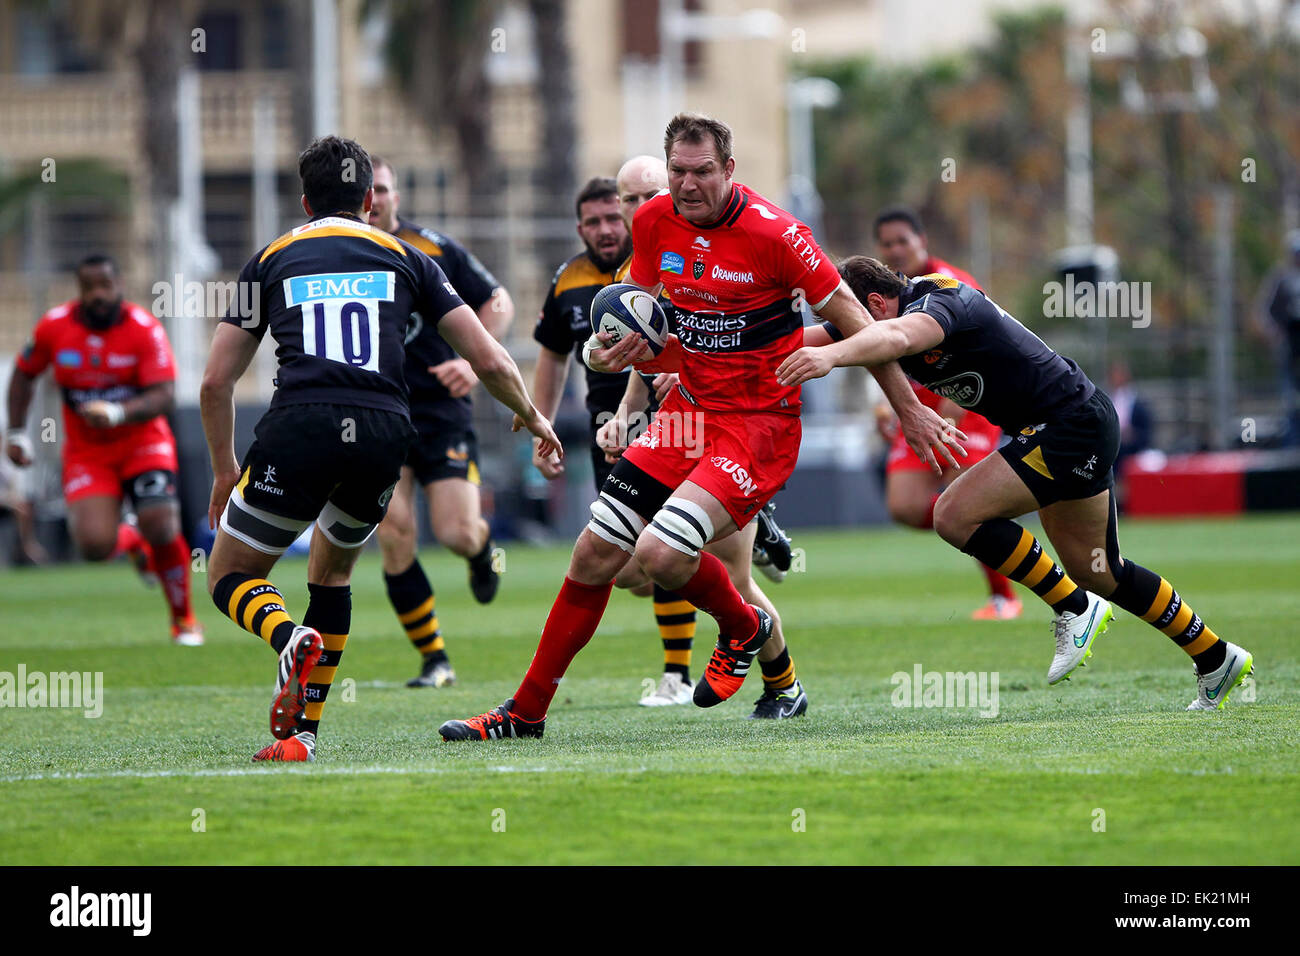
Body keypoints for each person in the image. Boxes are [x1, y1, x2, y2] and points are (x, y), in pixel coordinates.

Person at [439, 113, 959, 741]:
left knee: (661, 554)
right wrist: (615, 363)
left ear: (728, 170)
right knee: (594, 553)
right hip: (686, 413)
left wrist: (908, 409)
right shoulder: (654, 222)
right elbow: (640, 320)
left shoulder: (778, 234)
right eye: (678, 172)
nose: (688, 185)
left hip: (761, 424)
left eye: (702, 171)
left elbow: (858, 324)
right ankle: (524, 715)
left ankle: (744, 629)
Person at [200, 136, 559, 762]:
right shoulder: (406, 256)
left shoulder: (271, 258)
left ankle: (287, 637)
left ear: (305, 200)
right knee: (333, 576)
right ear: (369, 199)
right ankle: (300, 737)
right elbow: (489, 357)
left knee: (229, 573)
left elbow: (215, 381)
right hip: (383, 433)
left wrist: (225, 468)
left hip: (301, 427)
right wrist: (532, 417)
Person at [778, 256, 1253, 710]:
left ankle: (1072, 606)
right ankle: (1216, 657)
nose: (840, 327)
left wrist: (833, 357)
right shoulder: (873, 317)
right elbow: (796, 339)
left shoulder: (940, 298)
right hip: (1067, 423)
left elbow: (900, 336)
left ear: (876, 304)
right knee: (1100, 569)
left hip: (1069, 424)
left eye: (844, 314)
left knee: (953, 513)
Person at [596, 154, 807, 717]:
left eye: (649, 196)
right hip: (675, 425)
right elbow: (641, 359)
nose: (644, 208)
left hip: (735, 426)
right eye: (630, 199)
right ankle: (753, 534)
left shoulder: (712, 244)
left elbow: (734, 336)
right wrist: (624, 414)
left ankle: (781, 683)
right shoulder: (630, 271)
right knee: (627, 572)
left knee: (725, 578)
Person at [367, 156, 515, 688]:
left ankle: (483, 552)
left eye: (381, 188)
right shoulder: (340, 254)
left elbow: (497, 300)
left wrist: (473, 359)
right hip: (377, 412)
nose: (373, 198)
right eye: (365, 189)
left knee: (455, 533)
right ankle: (435, 659)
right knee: (395, 533)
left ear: (396, 196)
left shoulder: (432, 247)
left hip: (440, 410)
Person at [5, 254, 201, 643]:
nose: (97, 295)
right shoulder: (54, 327)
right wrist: (15, 433)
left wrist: (117, 412)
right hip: (87, 452)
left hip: (143, 442)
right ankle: (133, 542)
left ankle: (184, 620)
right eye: (88, 288)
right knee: (94, 546)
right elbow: (23, 376)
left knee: (161, 524)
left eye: (104, 286)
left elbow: (164, 395)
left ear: (119, 286)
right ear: (79, 291)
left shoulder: (144, 329)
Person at [870, 207, 1018, 620]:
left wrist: (949, 418)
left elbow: (974, 354)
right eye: (887, 243)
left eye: (903, 240)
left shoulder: (947, 283)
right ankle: (986, 529)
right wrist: (888, 405)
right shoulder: (883, 293)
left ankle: (1005, 596)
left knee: (964, 502)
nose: (895, 249)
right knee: (904, 505)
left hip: (966, 406)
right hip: (916, 409)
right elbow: (882, 352)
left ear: (923, 242)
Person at [1257, 229, 1300, 445]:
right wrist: (1275, 334)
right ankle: (1292, 443)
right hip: (1290, 350)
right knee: (1290, 400)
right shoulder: (1281, 279)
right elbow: (1264, 311)